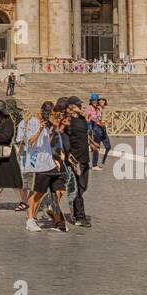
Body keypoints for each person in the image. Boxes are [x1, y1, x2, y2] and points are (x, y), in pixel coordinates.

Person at [24, 104, 66, 232]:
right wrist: (40, 129)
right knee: (37, 192)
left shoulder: (49, 123)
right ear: (42, 111)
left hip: (50, 164)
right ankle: (30, 220)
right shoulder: (33, 122)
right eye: (48, 113)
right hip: (38, 164)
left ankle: (55, 216)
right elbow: (30, 142)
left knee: (59, 189)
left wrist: (55, 157)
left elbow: (48, 144)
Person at [64, 96, 93, 227]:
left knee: (83, 187)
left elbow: (85, 133)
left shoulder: (82, 119)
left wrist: (92, 144)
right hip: (75, 159)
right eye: (78, 105)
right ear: (71, 106)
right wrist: (69, 158)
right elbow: (65, 140)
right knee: (78, 190)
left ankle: (76, 213)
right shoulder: (67, 121)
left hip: (85, 157)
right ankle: (79, 216)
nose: (81, 106)